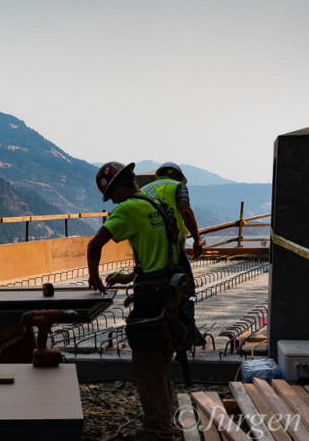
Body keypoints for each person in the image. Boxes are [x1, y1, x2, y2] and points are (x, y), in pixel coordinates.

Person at [87, 161, 179, 441]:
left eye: (110, 196)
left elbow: (95, 244)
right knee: (161, 363)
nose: (112, 202)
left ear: (116, 189)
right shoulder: (156, 203)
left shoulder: (127, 208)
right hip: (173, 292)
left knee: (146, 366)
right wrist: (132, 275)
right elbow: (161, 251)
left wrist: (94, 277)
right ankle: (166, 420)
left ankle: (157, 431)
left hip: (152, 297)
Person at [141, 162, 202, 320]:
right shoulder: (178, 186)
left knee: (152, 287)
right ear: (177, 175)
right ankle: (187, 325)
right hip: (172, 247)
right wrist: (197, 239)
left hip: (148, 249)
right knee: (187, 288)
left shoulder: (143, 190)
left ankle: (155, 323)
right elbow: (186, 212)